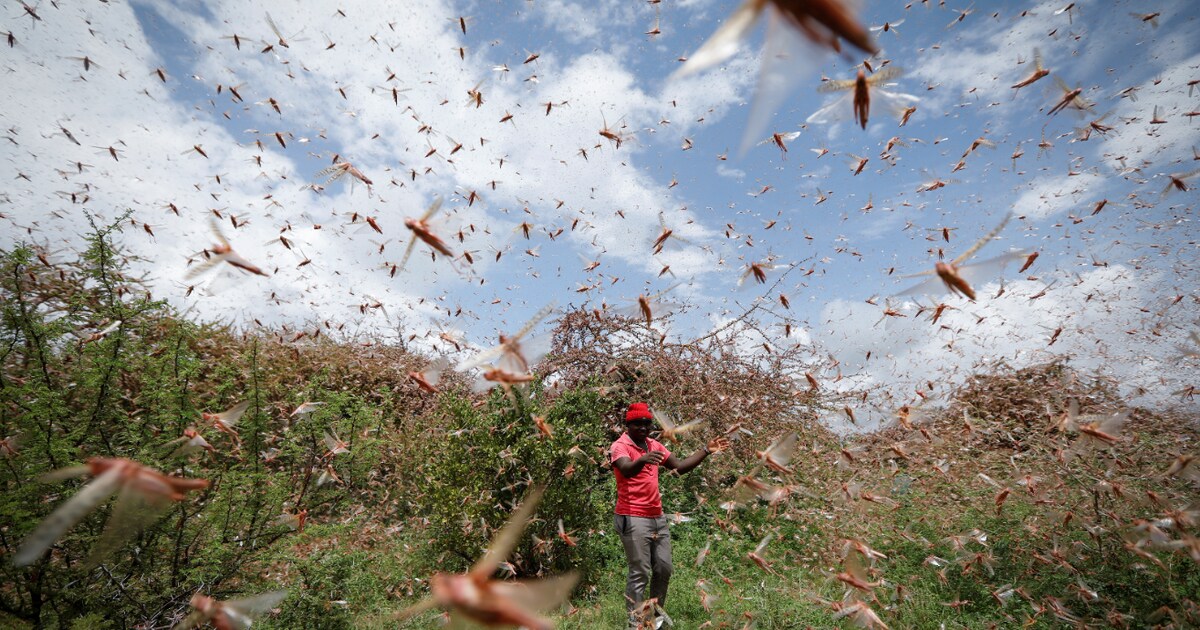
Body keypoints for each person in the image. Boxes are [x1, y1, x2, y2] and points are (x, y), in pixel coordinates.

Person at [610, 402, 730, 629]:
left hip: (657, 517)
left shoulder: (654, 445)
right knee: (640, 572)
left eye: (647, 423)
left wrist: (706, 450)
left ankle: (653, 619)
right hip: (632, 516)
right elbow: (625, 468)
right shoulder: (620, 446)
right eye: (638, 424)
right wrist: (642, 460)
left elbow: (680, 467)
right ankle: (636, 624)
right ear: (628, 425)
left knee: (663, 569)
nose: (644, 428)